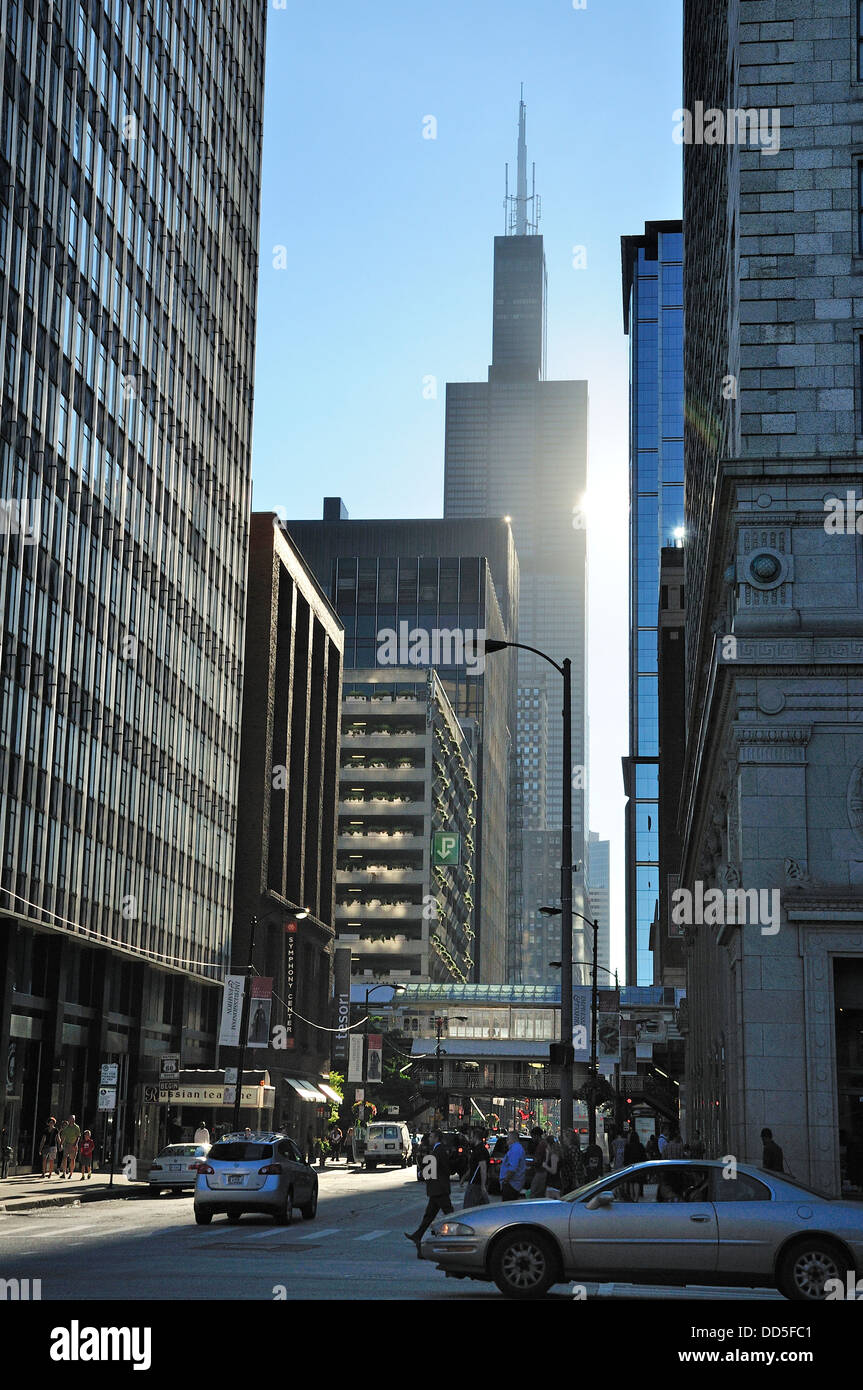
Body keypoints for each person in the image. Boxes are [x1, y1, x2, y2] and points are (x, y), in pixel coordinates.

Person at [404, 1128, 452, 1254]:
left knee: (450, 1214)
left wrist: (424, 1171)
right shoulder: (438, 1150)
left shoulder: (438, 1151)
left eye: (431, 1137)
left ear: (437, 1138)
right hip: (437, 1188)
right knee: (429, 1215)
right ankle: (417, 1236)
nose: (429, 1139)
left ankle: (458, 1237)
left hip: (439, 1188)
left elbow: (439, 1168)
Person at [463, 1129, 490, 1209]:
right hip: (475, 1183)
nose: (470, 1139)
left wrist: (483, 1185)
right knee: (482, 1207)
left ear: (476, 1137)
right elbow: (473, 1167)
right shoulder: (477, 1150)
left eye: (471, 1137)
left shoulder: (480, 1150)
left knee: (468, 1208)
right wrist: (464, 1177)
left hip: (475, 1183)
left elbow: (483, 1168)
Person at [499, 1130, 527, 1201]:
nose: (506, 1140)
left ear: (513, 1139)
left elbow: (512, 1168)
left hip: (511, 1185)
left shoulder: (515, 1149)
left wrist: (506, 1180)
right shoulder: (515, 1148)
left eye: (508, 1138)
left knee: (507, 1206)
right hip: (513, 1184)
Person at [529, 1126, 549, 1199]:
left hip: (541, 1171)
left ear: (536, 1135)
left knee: (534, 1191)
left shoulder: (541, 1145)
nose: (532, 1139)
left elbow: (539, 1160)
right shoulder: (544, 1143)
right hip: (542, 1170)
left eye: (533, 1136)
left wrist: (531, 1164)